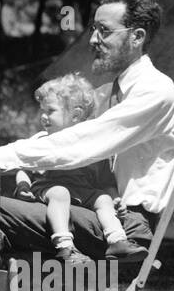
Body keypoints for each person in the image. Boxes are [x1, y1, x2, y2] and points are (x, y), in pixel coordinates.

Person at [0, 0, 174, 263]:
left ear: (137, 37)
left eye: (104, 30)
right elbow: (53, 141)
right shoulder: (106, 94)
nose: (93, 39)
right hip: (96, 208)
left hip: (126, 227)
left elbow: (83, 143)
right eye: (93, 29)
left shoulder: (156, 92)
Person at [14, 73, 131, 260]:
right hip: (48, 187)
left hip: (82, 190)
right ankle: (64, 244)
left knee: (103, 199)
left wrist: (116, 198)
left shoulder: (92, 145)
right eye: (42, 110)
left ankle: (117, 240)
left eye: (50, 111)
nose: (43, 116)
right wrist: (23, 186)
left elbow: (105, 180)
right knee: (61, 193)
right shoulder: (42, 140)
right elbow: (22, 167)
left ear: (75, 115)